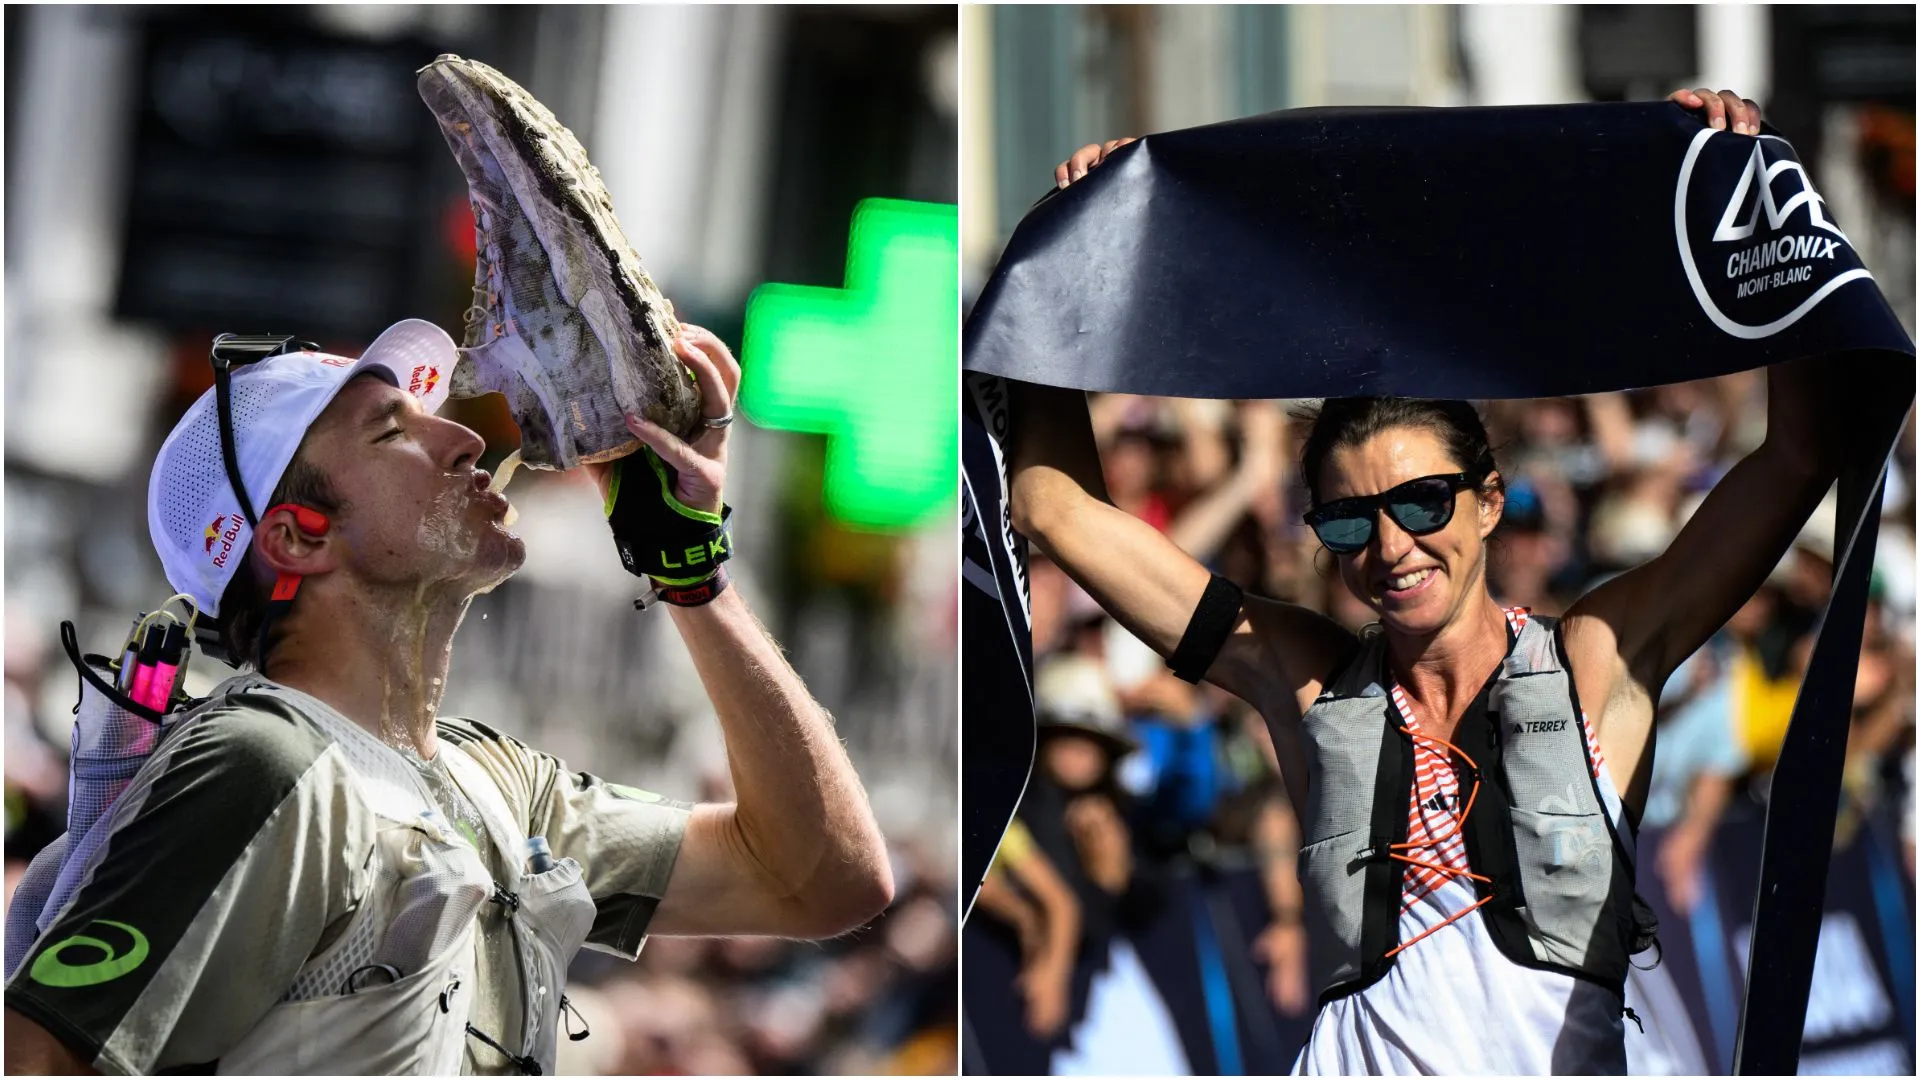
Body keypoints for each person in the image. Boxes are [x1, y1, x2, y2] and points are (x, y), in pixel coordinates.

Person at [1018, 89, 1846, 1074]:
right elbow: (1053, 511)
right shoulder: (1307, 680)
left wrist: (1752, 196)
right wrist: (1072, 256)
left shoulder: (1595, 660)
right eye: (1347, 519)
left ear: (1488, 500)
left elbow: (1798, 456)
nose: (1392, 546)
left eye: (1421, 503)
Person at [3, 318, 893, 1074]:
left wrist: (692, 573)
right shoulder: (262, 763)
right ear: (296, 537)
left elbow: (821, 881)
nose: (465, 438)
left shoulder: (495, 784)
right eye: (392, 432)